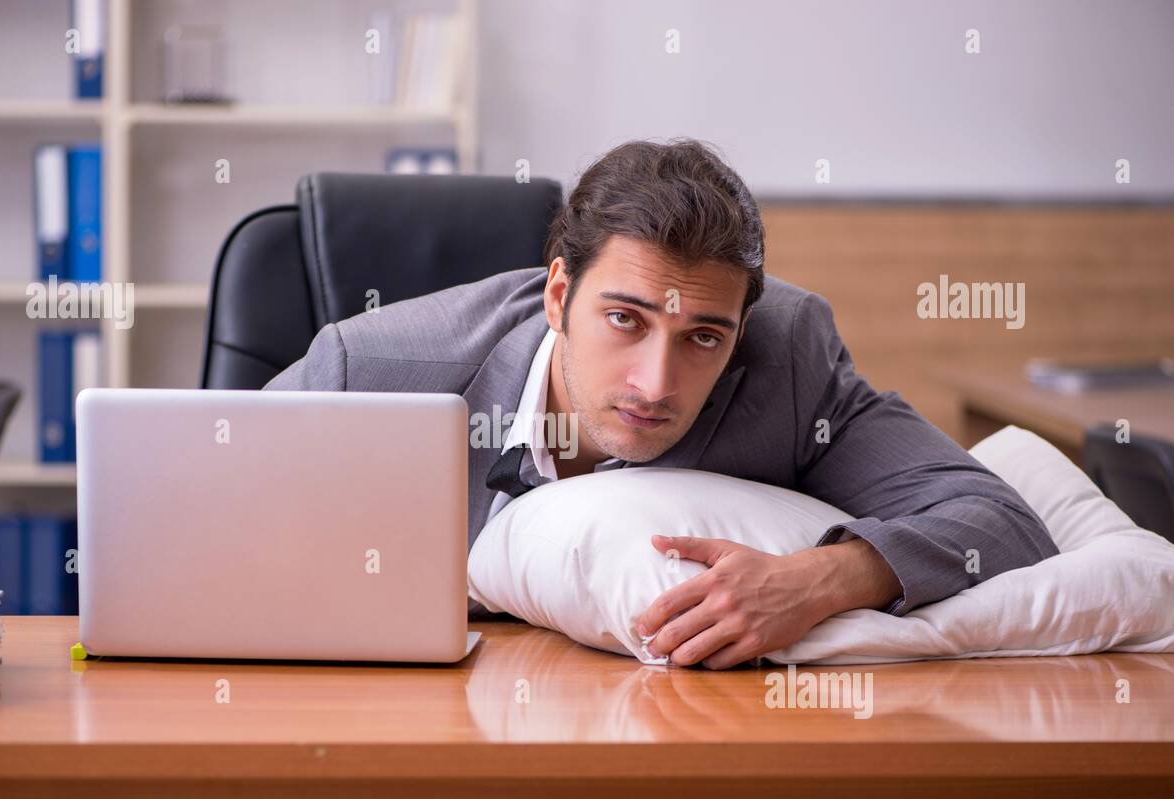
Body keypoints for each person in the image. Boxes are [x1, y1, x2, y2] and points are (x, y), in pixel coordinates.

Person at [264, 138, 1057, 668]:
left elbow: (999, 520)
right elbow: (193, 512)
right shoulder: (369, 366)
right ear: (558, 292)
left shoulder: (786, 364)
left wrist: (818, 579)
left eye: (703, 337)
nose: (655, 382)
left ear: (742, 327)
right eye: (624, 320)